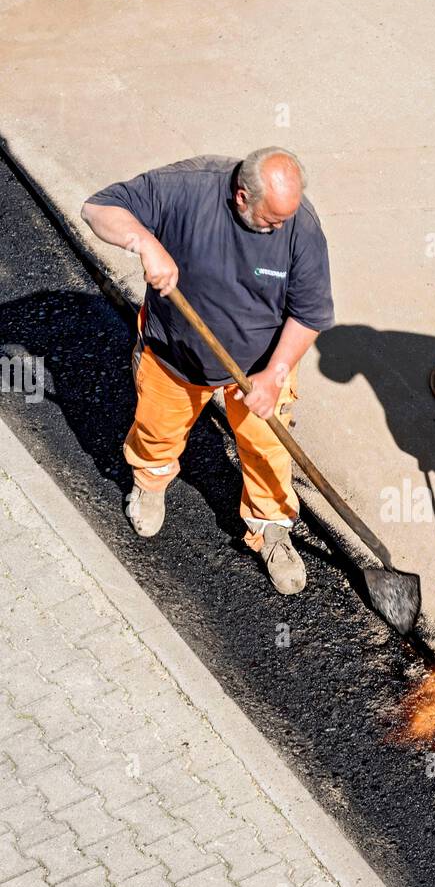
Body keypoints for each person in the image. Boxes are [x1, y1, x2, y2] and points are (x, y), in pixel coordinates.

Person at [81, 149, 335, 593]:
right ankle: (151, 480)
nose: (281, 227)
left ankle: (270, 525)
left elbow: (309, 313)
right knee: (158, 430)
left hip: (259, 364)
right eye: (272, 220)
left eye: (287, 217)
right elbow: (98, 208)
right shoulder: (187, 188)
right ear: (242, 196)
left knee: (268, 446)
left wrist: (275, 374)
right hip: (176, 351)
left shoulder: (301, 226)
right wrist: (145, 242)